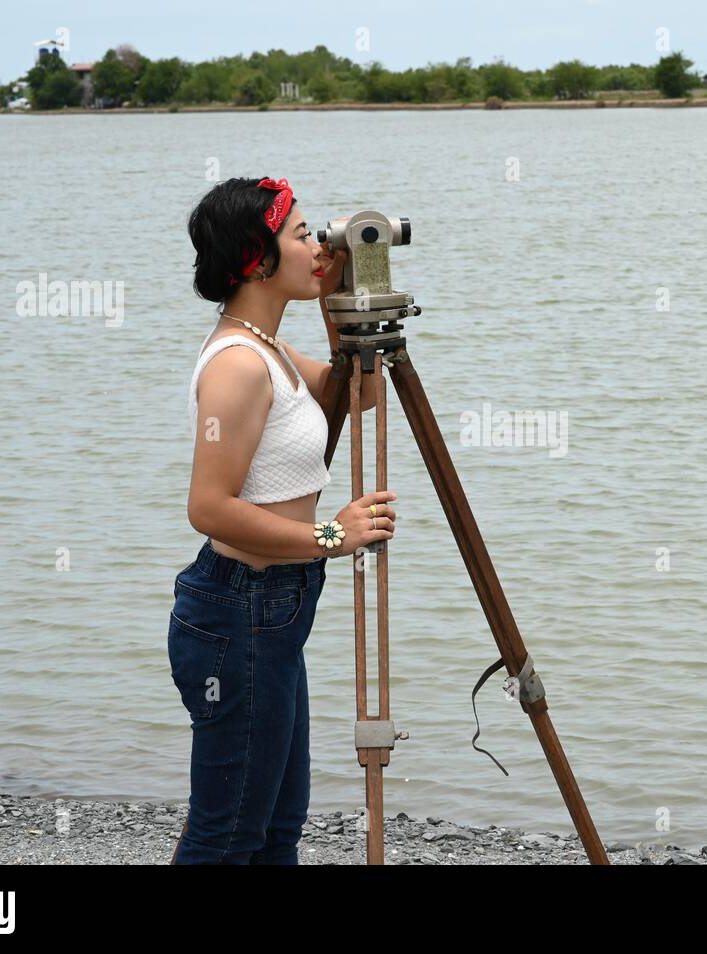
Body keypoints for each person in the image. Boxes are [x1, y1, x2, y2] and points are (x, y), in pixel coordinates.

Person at [168, 176, 397, 864]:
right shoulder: (238, 365)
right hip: (238, 612)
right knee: (228, 834)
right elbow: (208, 509)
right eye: (301, 236)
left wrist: (338, 299)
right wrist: (332, 536)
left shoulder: (268, 349)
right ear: (255, 258)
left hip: (273, 610)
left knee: (274, 830)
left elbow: (359, 393)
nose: (317, 246)